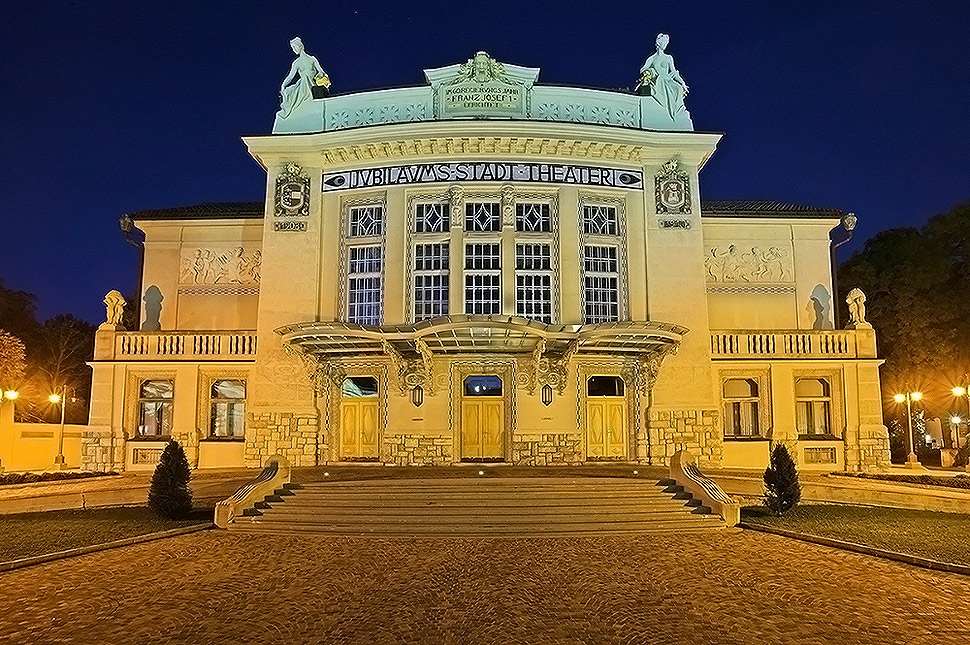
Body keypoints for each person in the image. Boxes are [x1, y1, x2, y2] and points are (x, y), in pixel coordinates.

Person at [638, 33, 690, 120]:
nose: (665, 45)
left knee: (678, 88)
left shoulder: (669, 58)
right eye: (664, 43)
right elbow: (642, 69)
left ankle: (676, 113)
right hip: (659, 81)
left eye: (666, 43)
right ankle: (668, 112)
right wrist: (652, 71)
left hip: (668, 80)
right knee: (663, 83)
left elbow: (674, 72)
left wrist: (683, 83)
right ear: (658, 43)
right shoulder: (652, 58)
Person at [278, 37, 328, 119]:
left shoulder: (312, 59)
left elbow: (321, 72)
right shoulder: (296, 63)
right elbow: (290, 76)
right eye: (292, 48)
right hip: (302, 84)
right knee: (288, 91)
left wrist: (319, 75)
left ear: (300, 46)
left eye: (294, 47)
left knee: (305, 80)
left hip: (312, 82)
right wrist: (283, 85)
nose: (294, 50)